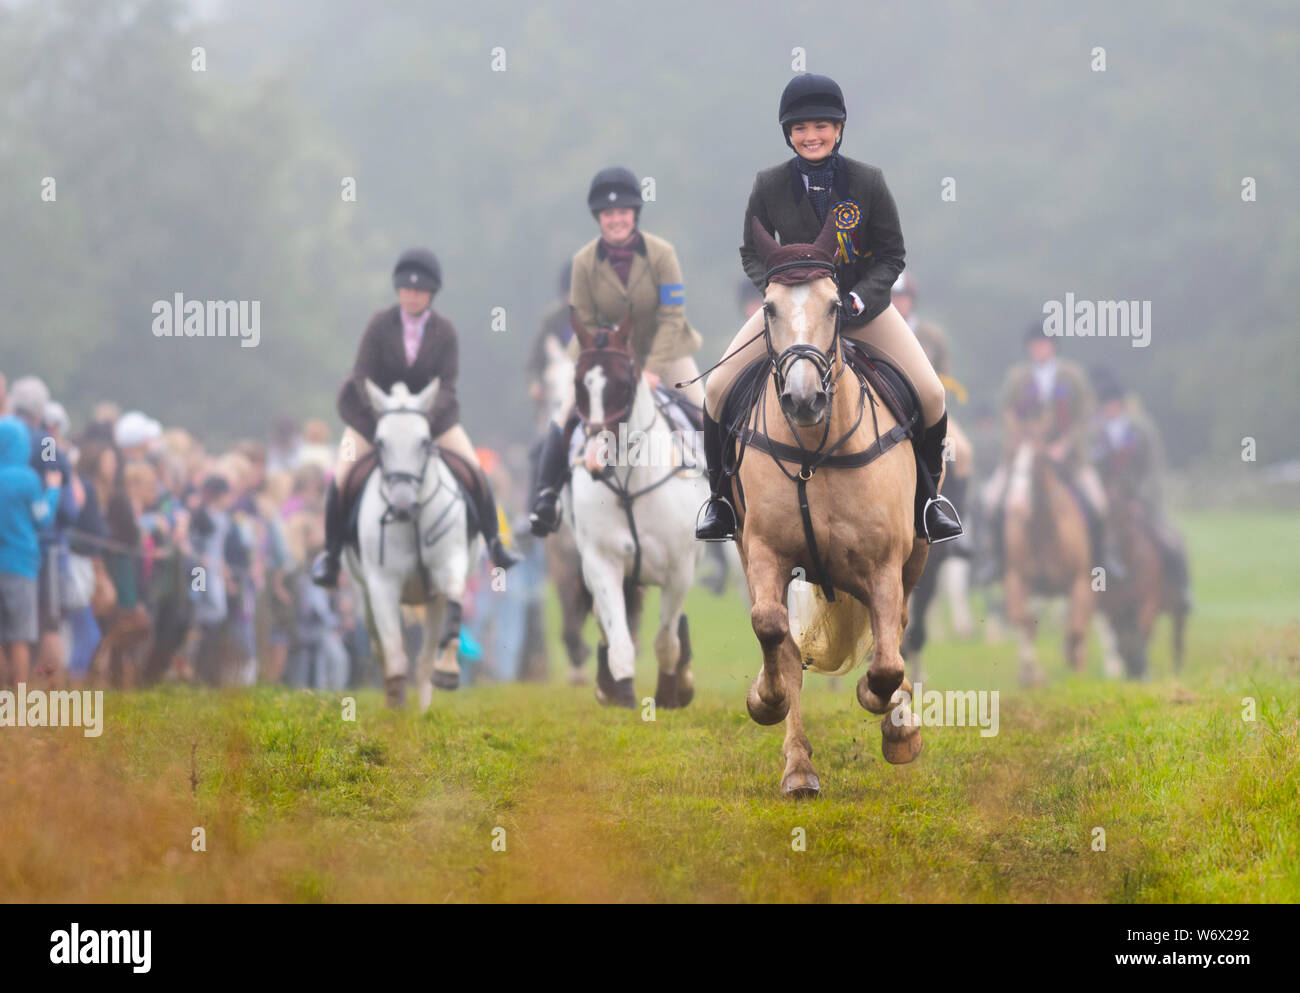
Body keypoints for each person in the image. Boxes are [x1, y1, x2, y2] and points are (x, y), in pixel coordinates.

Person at [694, 74, 962, 544]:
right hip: (794, 312)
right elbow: (750, 253)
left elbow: (893, 255)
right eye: (800, 128)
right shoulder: (768, 185)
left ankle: (928, 500)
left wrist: (860, 297)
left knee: (932, 394)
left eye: (821, 125)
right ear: (788, 134)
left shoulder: (868, 182)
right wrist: (778, 291)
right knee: (716, 388)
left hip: (863, 308)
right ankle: (719, 501)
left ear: (839, 128)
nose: (810, 135)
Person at [312, 248, 521, 586]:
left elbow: (448, 386)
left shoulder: (446, 331)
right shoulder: (380, 324)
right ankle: (331, 554)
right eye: (407, 290)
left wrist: (422, 421)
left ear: (431, 294)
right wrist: (384, 420)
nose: (411, 296)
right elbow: (361, 377)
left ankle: (496, 545)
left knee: (475, 470)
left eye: (419, 291)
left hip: (432, 423)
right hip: (374, 422)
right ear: (398, 290)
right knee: (342, 475)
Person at [527, 166, 706, 535]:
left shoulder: (662, 255)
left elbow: (672, 317)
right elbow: (585, 322)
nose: (616, 219)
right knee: (563, 416)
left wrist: (653, 368)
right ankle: (546, 497)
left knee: (707, 413)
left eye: (623, 212)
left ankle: (725, 497)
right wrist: (603, 363)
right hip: (606, 357)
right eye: (609, 214)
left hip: (667, 351)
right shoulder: (583, 263)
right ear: (599, 218)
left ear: (634, 214)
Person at [981, 322, 1124, 580]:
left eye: (1044, 343)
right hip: (1025, 457)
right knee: (992, 500)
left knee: (1099, 503)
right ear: (1029, 348)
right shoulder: (1017, 377)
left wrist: (1065, 445)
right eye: (1035, 344)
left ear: (1053, 346)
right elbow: (1008, 413)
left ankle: (1103, 558)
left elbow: (1084, 415)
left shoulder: (1072, 376)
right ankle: (996, 559)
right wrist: (1018, 443)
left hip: (1067, 458)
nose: (1039, 348)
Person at [1090, 367, 1191, 608]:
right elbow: (1093, 468)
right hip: (1108, 502)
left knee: (1171, 542)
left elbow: (1154, 468)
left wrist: (1141, 500)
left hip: (1141, 501)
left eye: (1114, 403)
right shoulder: (1095, 433)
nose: (1110, 408)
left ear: (1121, 404)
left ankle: (1183, 591)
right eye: (1106, 404)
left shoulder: (1142, 429)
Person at [0, 417, 61, 687]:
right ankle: (20, 701)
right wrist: (55, 490)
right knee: (19, 638)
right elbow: (42, 517)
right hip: (21, 565)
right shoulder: (28, 479)